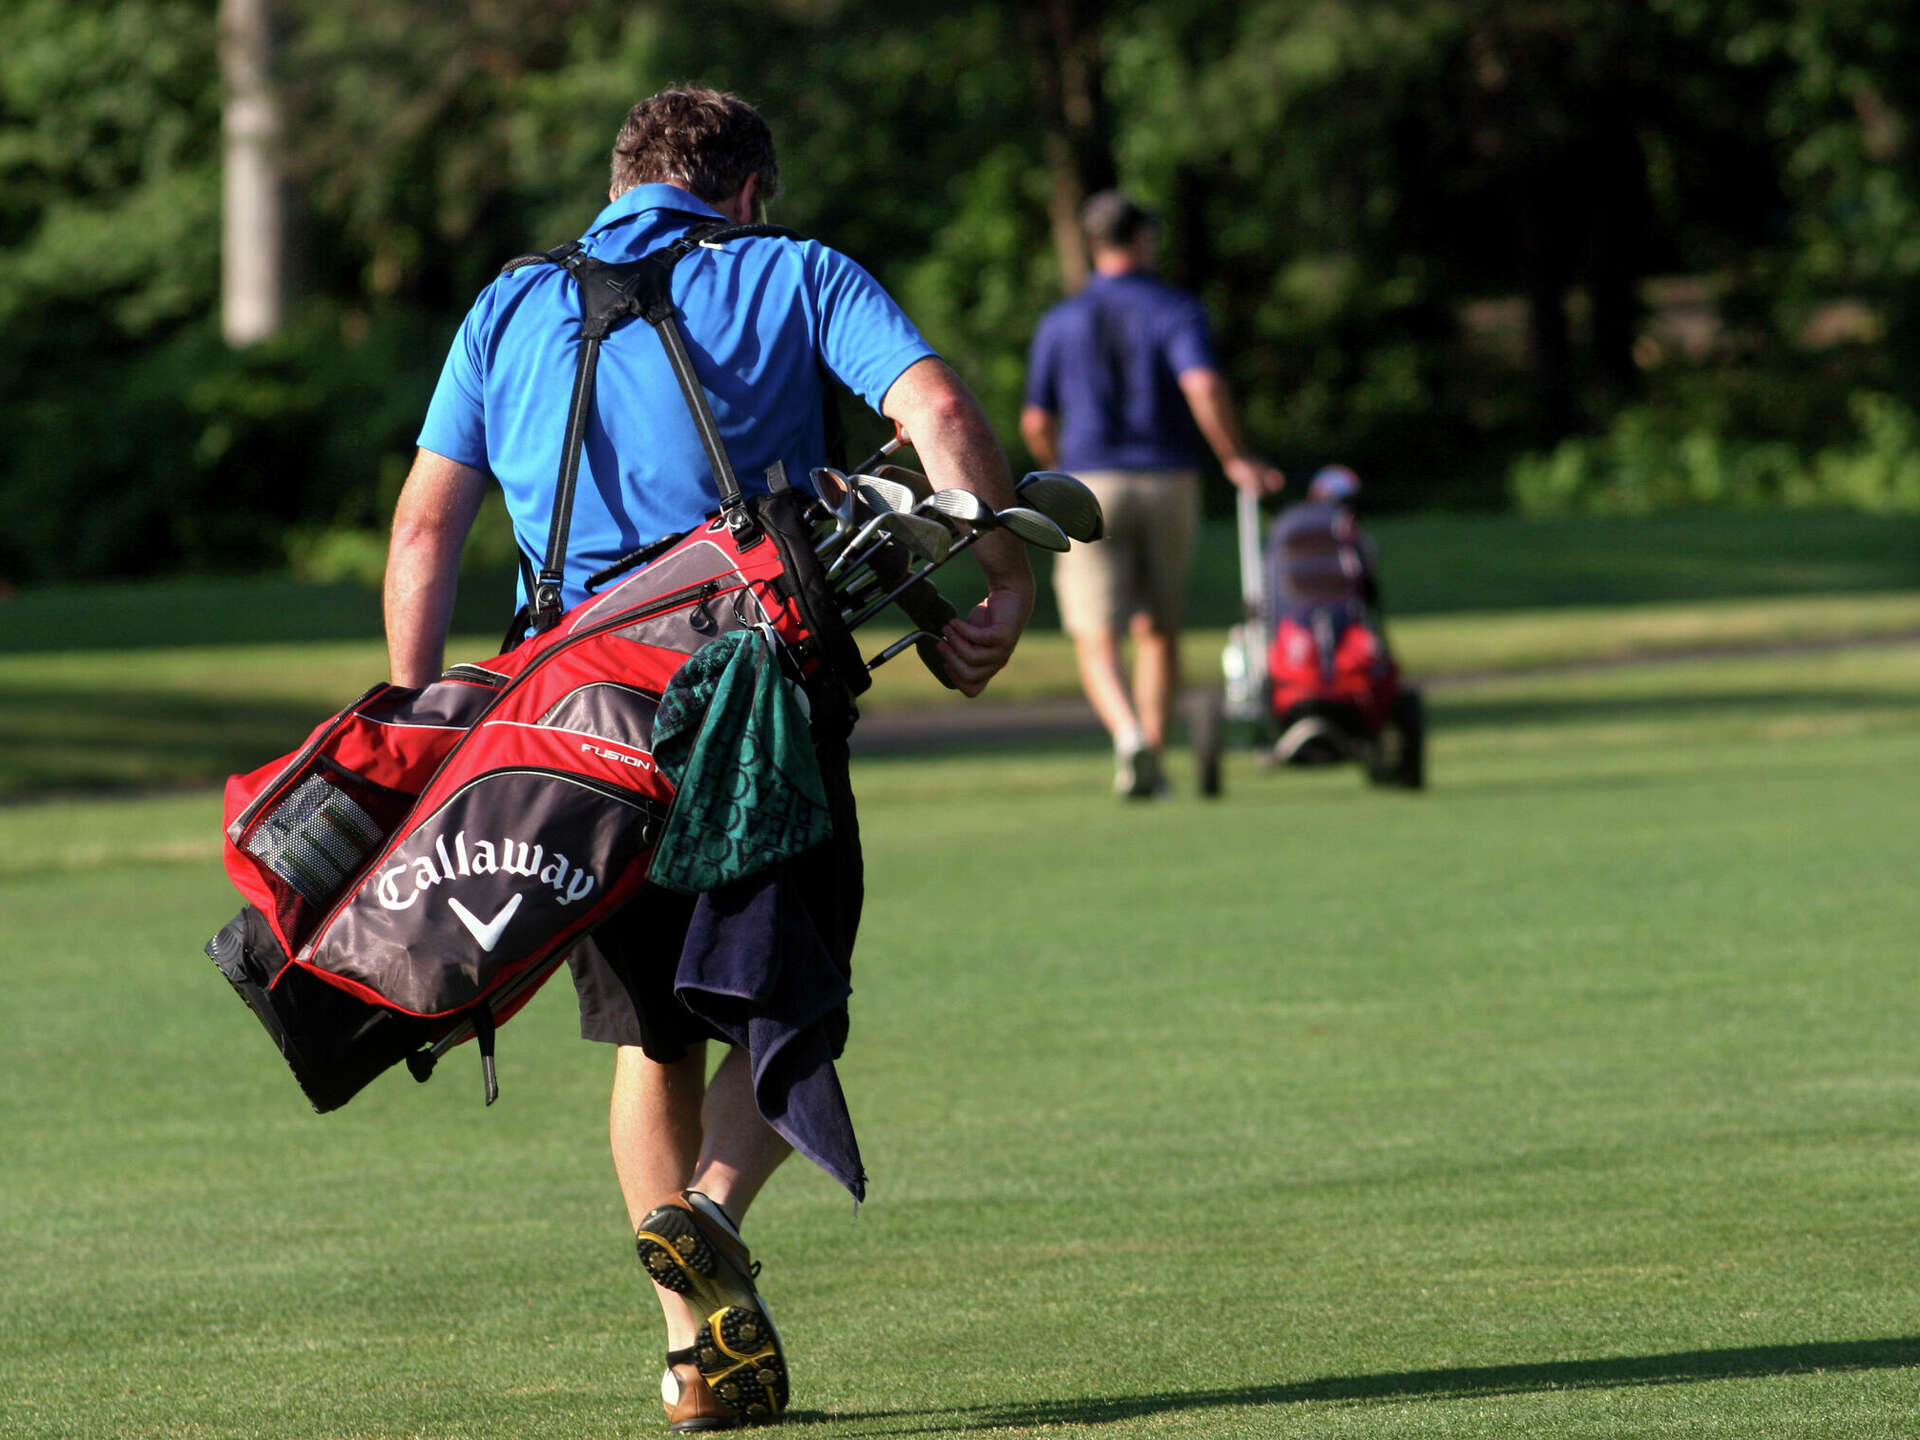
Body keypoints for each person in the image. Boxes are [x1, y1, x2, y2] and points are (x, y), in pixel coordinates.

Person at [381, 85, 1033, 1432]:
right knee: (797, 992)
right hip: (758, 696)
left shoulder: (507, 305)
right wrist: (1002, 583)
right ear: (747, 192)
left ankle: (698, 1354)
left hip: (564, 721)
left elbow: (423, 529)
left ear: (621, 182)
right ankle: (709, 1212)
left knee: (651, 1034)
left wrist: (413, 716)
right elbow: (942, 413)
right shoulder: (793, 270)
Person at [1020, 190, 1283, 799]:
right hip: (1168, 479)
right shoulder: (1174, 309)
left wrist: (1056, 472)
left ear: (1092, 245)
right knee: (1158, 629)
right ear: (1140, 240)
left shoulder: (1061, 320)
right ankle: (1155, 760)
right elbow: (1204, 385)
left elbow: (1036, 421)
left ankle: (1129, 736)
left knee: (1095, 633)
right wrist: (1236, 459)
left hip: (1088, 482)